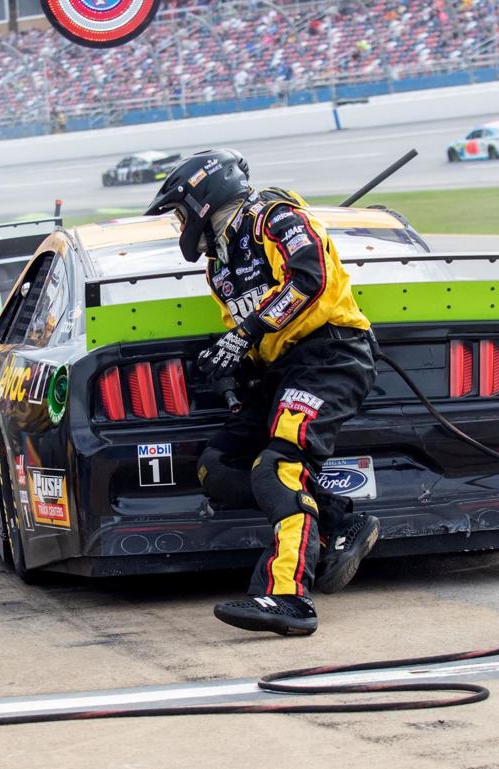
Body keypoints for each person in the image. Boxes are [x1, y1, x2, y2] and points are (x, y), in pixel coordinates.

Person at [143, 149, 380, 637]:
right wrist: (231, 362)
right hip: (281, 368)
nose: (180, 226)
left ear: (204, 200)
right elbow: (247, 329)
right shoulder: (219, 267)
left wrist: (246, 332)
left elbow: (310, 281)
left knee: (279, 466)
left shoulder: (275, 216)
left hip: (331, 353)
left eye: (181, 214)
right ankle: (339, 523)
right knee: (218, 467)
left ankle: (289, 597)